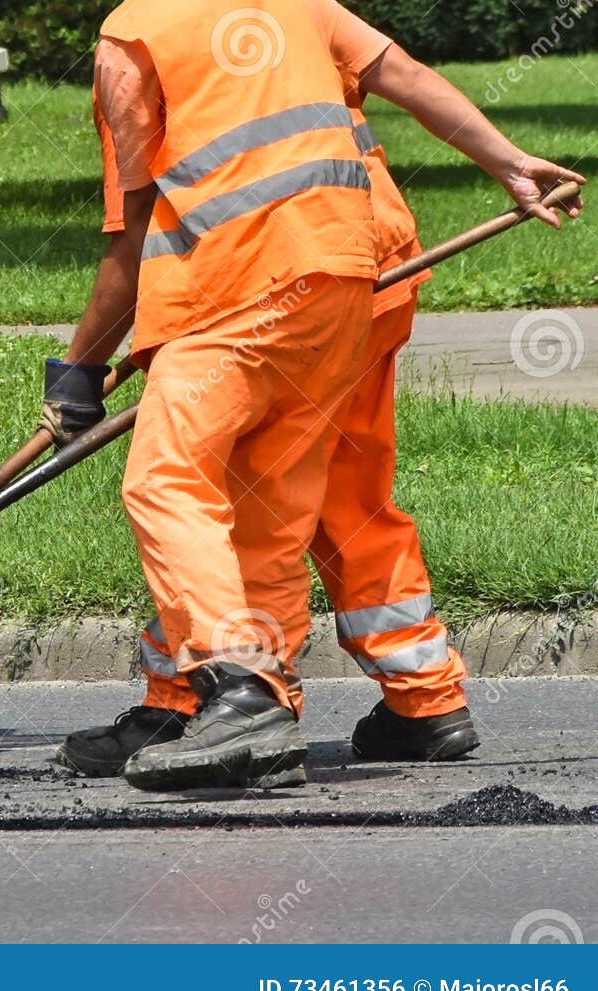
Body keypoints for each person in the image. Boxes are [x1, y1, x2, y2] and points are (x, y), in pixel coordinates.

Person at [38, 0, 580, 791]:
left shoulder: (134, 33)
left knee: (173, 482)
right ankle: (277, 709)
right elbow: (407, 75)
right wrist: (508, 162)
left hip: (235, 289)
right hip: (350, 278)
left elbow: (137, 222)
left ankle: (233, 693)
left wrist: (81, 369)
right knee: (284, 506)